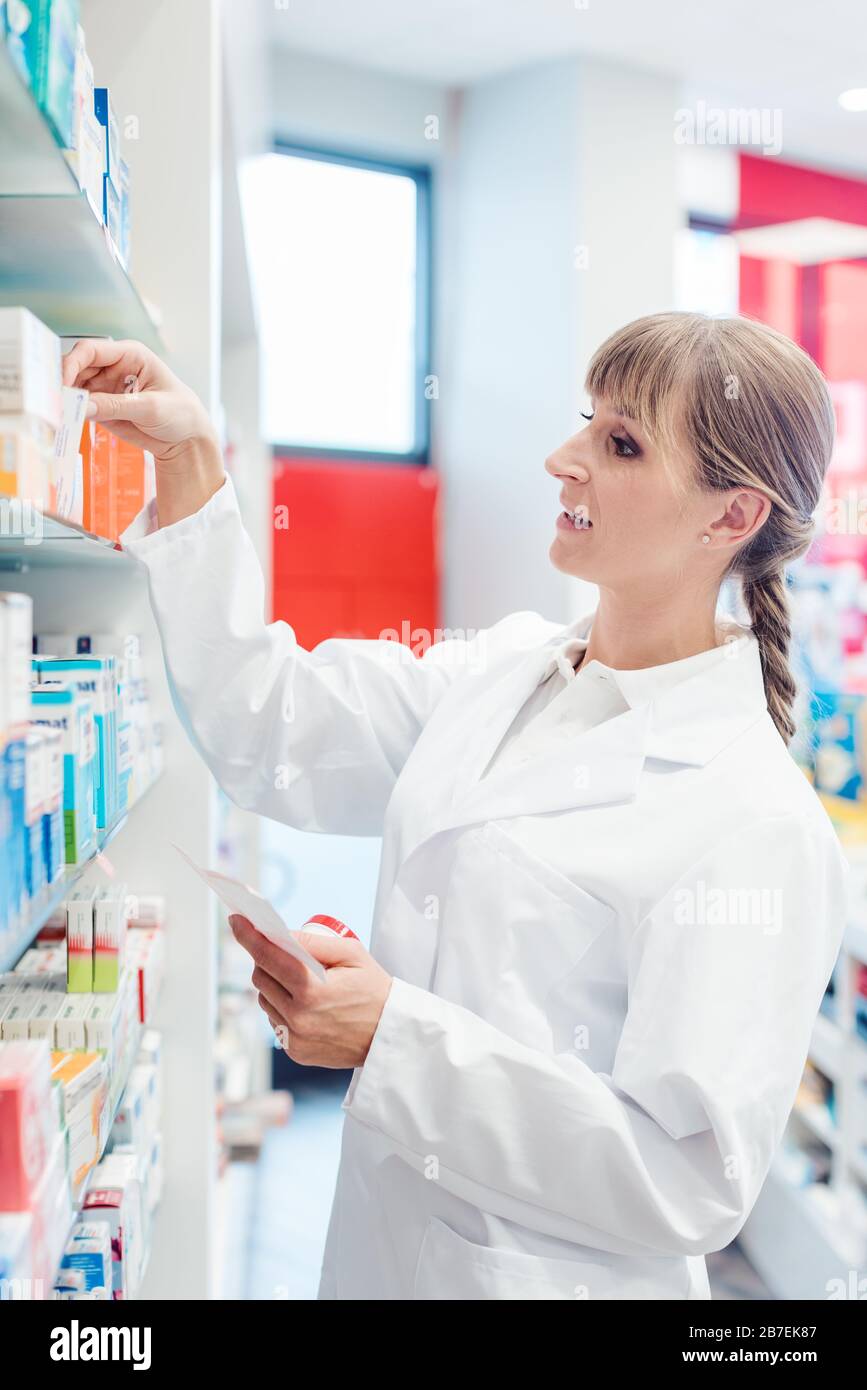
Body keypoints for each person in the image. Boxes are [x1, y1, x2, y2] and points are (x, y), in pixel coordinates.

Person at [63, 311, 847, 1301]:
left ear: (731, 517)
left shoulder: (754, 818)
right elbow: (270, 721)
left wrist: (392, 1038)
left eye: (620, 444)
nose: (563, 460)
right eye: (585, 422)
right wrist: (189, 461)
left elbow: (687, 1180)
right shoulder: (504, 671)